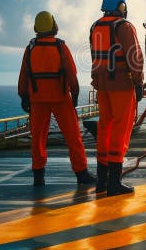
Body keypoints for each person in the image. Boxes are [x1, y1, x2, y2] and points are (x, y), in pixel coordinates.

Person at [18, 11, 95, 187]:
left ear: (36, 28)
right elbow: (71, 73)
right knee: (73, 137)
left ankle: (38, 176)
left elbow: (24, 75)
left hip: (37, 100)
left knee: (38, 139)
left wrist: (23, 96)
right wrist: (75, 94)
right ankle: (81, 173)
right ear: (54, 26)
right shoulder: (60, 47)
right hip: (61, 99)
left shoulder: (30, 49)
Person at [90, 0, 144, 196]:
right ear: (121, 5)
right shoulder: (123, 27)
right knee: (121, 129)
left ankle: (102, 180)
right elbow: (134, 57)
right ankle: (114, 182)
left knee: (105, 127)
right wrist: (138, 83)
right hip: (121, 85)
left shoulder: (95, 27)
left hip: (102, 86)